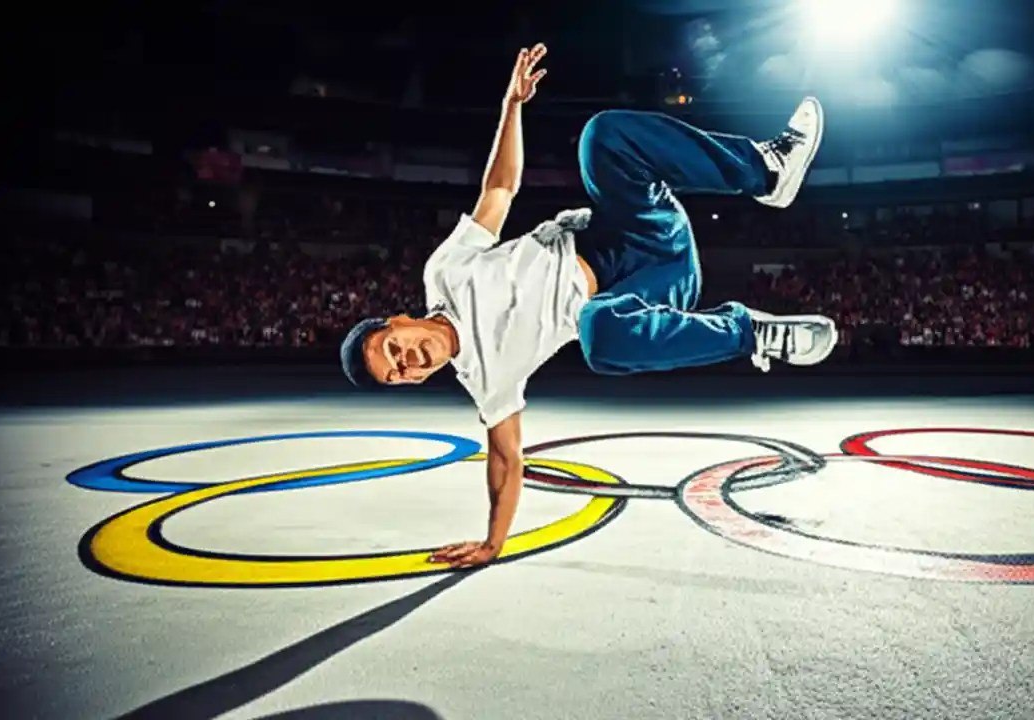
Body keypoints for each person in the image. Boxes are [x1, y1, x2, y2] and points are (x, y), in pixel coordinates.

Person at [339, 43, 837, 568]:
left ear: (400, 320)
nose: (407, 362)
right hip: (652, 286)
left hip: (638, 226)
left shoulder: (444, 270)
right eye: (398, 374)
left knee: (603, 137)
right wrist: (492, 543)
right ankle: (753, 334)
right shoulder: (487, 381)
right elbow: (505, 461)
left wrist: (512, 106)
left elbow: (501, 189)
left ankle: (768, 169)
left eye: (394, 348)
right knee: (597, 330)